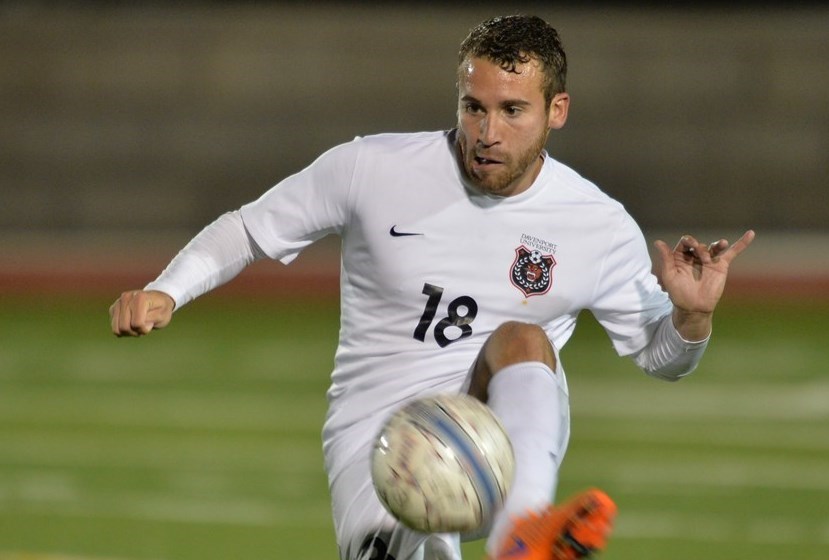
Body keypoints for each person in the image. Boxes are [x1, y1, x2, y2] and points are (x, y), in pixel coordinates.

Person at [110, 14, 754, 560]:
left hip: (501, 453)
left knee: (523, 340)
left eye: (512, 110)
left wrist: (691, 318)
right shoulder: (373, 167)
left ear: (557, 111)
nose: (487, 132)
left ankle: (521, 537)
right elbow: (249, 229)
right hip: (382, 447)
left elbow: (663, 359)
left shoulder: (596, 224)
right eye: (474, 107)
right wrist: (168, 290)